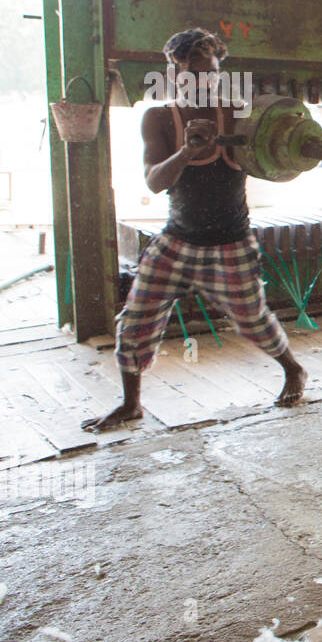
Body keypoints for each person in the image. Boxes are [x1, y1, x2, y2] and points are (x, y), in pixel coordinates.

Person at [81, 28, 307, 430]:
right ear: (174, 73)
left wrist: (316, 148)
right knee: (135, 322)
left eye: (212, 73)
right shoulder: (158, 118)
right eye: (193, 74)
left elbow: (280, 159)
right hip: (177, 241)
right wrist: (186, 152)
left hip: (232, 242)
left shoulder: (239, 113)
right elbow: (154, 181)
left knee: (254, 321)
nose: (204, 82)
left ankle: (293, 370)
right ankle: (131, 404)